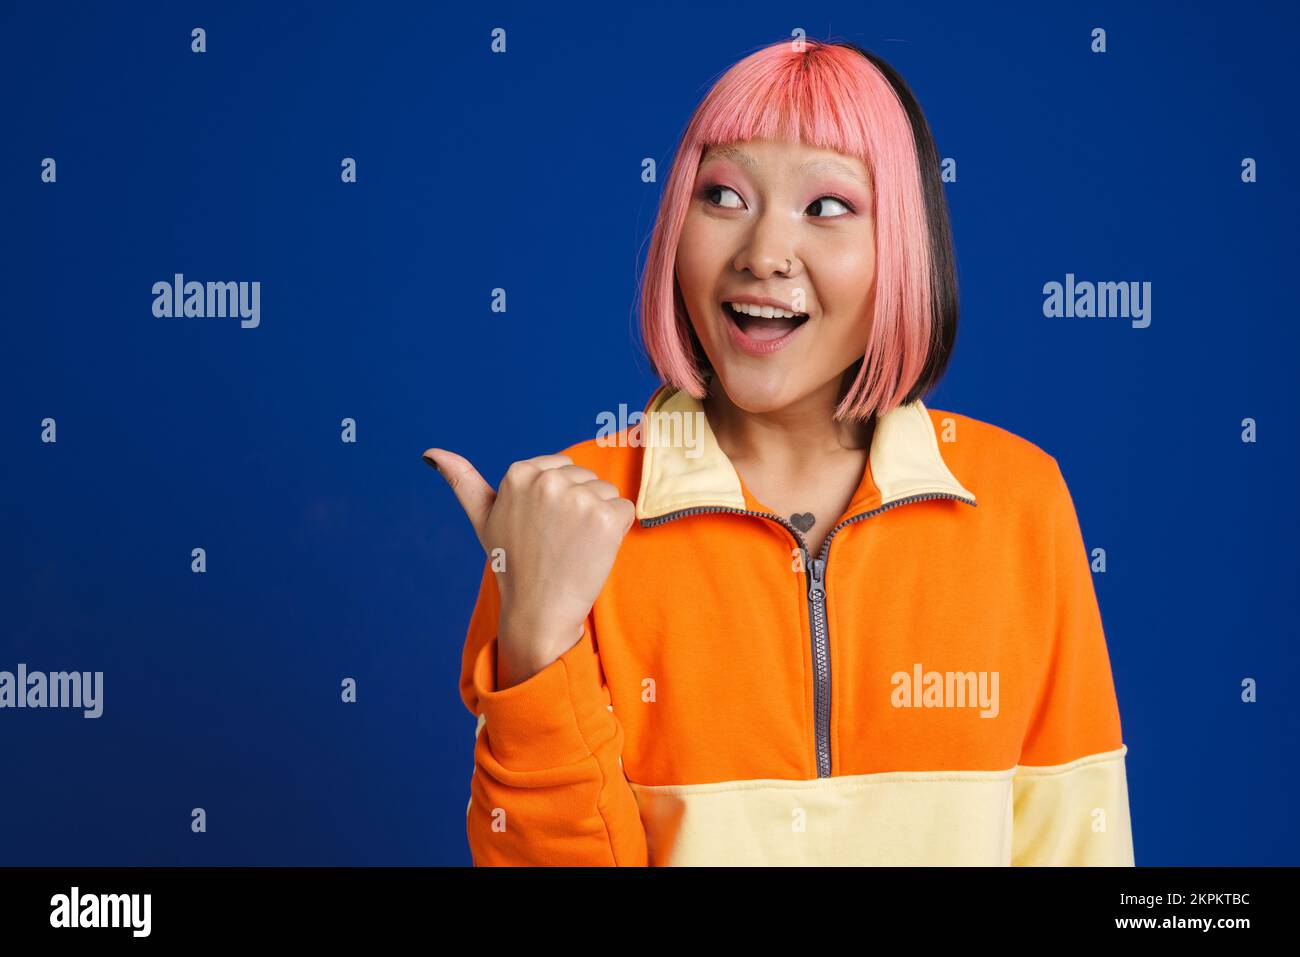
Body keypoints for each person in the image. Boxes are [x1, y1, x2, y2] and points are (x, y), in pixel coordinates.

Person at [423, 37, 1134, 866]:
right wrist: (538, 637)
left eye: (827, 207)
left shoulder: (1018, 498)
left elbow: (1080, 844)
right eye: (722, 194)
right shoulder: (566, 513)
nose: (762, 253)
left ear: (904, 245)